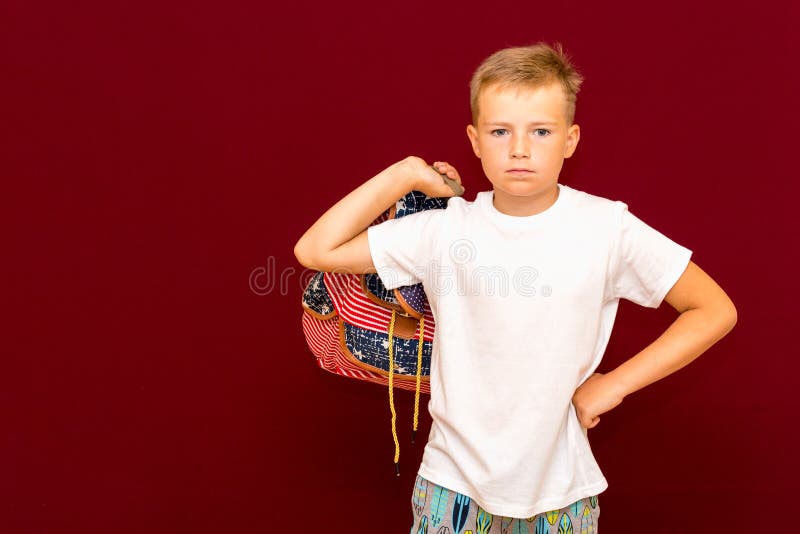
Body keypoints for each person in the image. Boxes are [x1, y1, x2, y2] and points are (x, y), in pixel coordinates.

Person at [293, 41, 737, 533]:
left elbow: (713, 309)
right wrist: (407, 175)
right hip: (451, 488)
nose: (520, 148)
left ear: (570, 140)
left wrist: (614, 386)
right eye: (500, 131)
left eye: (540, 132)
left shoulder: (606, 228)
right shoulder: (445, 230)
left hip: (560, 496)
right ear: (475, 140)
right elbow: (316, 251)